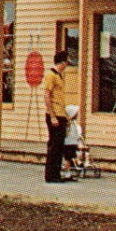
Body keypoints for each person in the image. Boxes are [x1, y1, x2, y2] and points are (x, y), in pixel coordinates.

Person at [42, 51, 71, 183]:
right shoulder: (51, 75)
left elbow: (60, 98)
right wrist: (52, 116)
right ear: (62, 62)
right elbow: (47, 96)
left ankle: (56, 174)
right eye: (67, 61)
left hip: (61, 114)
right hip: (54, 115)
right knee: (54, 146)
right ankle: (50, 175)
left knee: (59, 146)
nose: (67, 64)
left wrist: (66, 117)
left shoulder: (59, 76)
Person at [62, 104, 86, 178]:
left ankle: (70, 170)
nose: (77, 115)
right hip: (69, 142)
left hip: (71, 142)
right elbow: (67, 133)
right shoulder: (68, 124)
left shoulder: (73, 123)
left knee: (69, 158)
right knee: (68, 158)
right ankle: (69, 171)